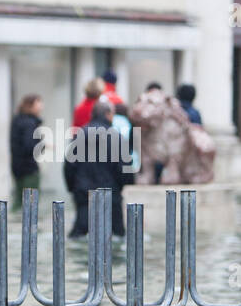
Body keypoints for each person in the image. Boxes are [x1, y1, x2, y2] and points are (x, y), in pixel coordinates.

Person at [64, 99, 127, 238]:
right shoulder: (116, 137)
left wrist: (72, 188)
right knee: (117, 235)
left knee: (79, 235)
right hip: (111, 193)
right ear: (108, 114)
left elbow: (69, 165)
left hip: (84, 192)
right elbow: (123, 168)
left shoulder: (79, 135)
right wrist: (120, 187)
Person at [131, 83, 190, 185]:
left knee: (173, 155)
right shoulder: (143, 128)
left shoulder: (173, 123)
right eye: (140, 101)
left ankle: (172, 171)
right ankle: (148, 174)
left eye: (150, 103)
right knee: (147, 158)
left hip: (169, 144)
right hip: (152, 140)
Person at [10, 94, 43, 206]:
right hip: (29, 167)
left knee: (20, 199)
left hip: (17, 166)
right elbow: (29, 146)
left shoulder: (18, 120)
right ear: (31, 106)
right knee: (30, 203)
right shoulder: (29, 123)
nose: (41, 107)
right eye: (38, 104)